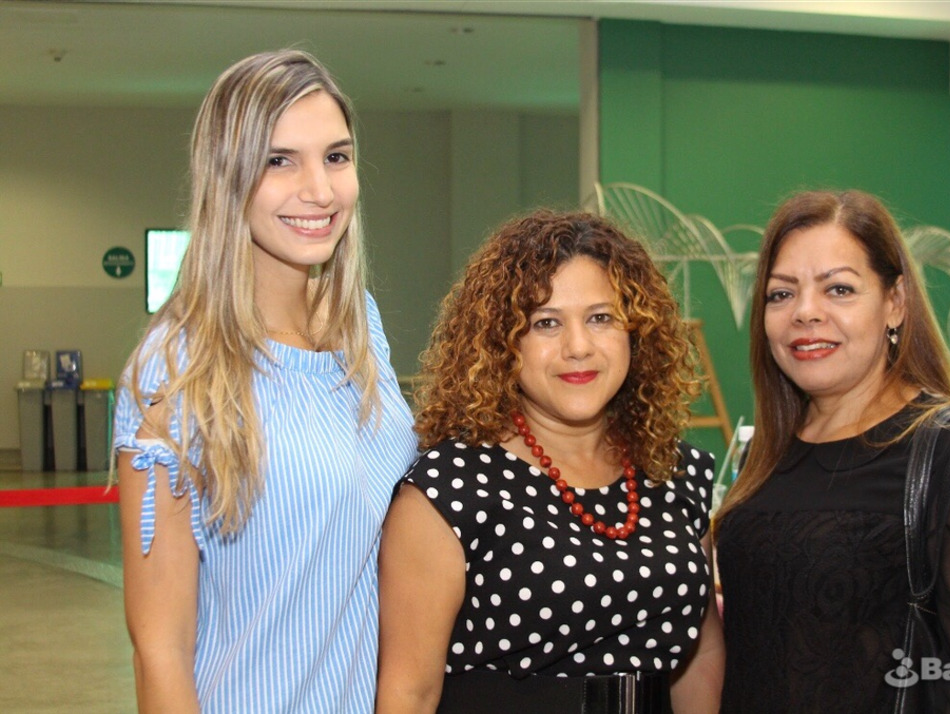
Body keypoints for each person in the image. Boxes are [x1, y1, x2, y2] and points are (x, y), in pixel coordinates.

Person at [113, 50, 417, 713]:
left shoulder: (359, 324)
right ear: (227, 177)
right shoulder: (175, 366)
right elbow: (159, 647)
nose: (320, 189)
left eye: (336, 157)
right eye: (281, 160)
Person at [375, 210, 724, 714]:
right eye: (545, 323)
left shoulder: (677, 474)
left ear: (636, 331)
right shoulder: (449, 490)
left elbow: (701, 654)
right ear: (502, 342)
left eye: (601, 318)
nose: (578, 347)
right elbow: (410, 693)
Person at [713, 189, 950, 712]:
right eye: (781, 294)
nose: (805, 313)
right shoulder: (764, 457)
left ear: (895, 302)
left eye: (838, 289)